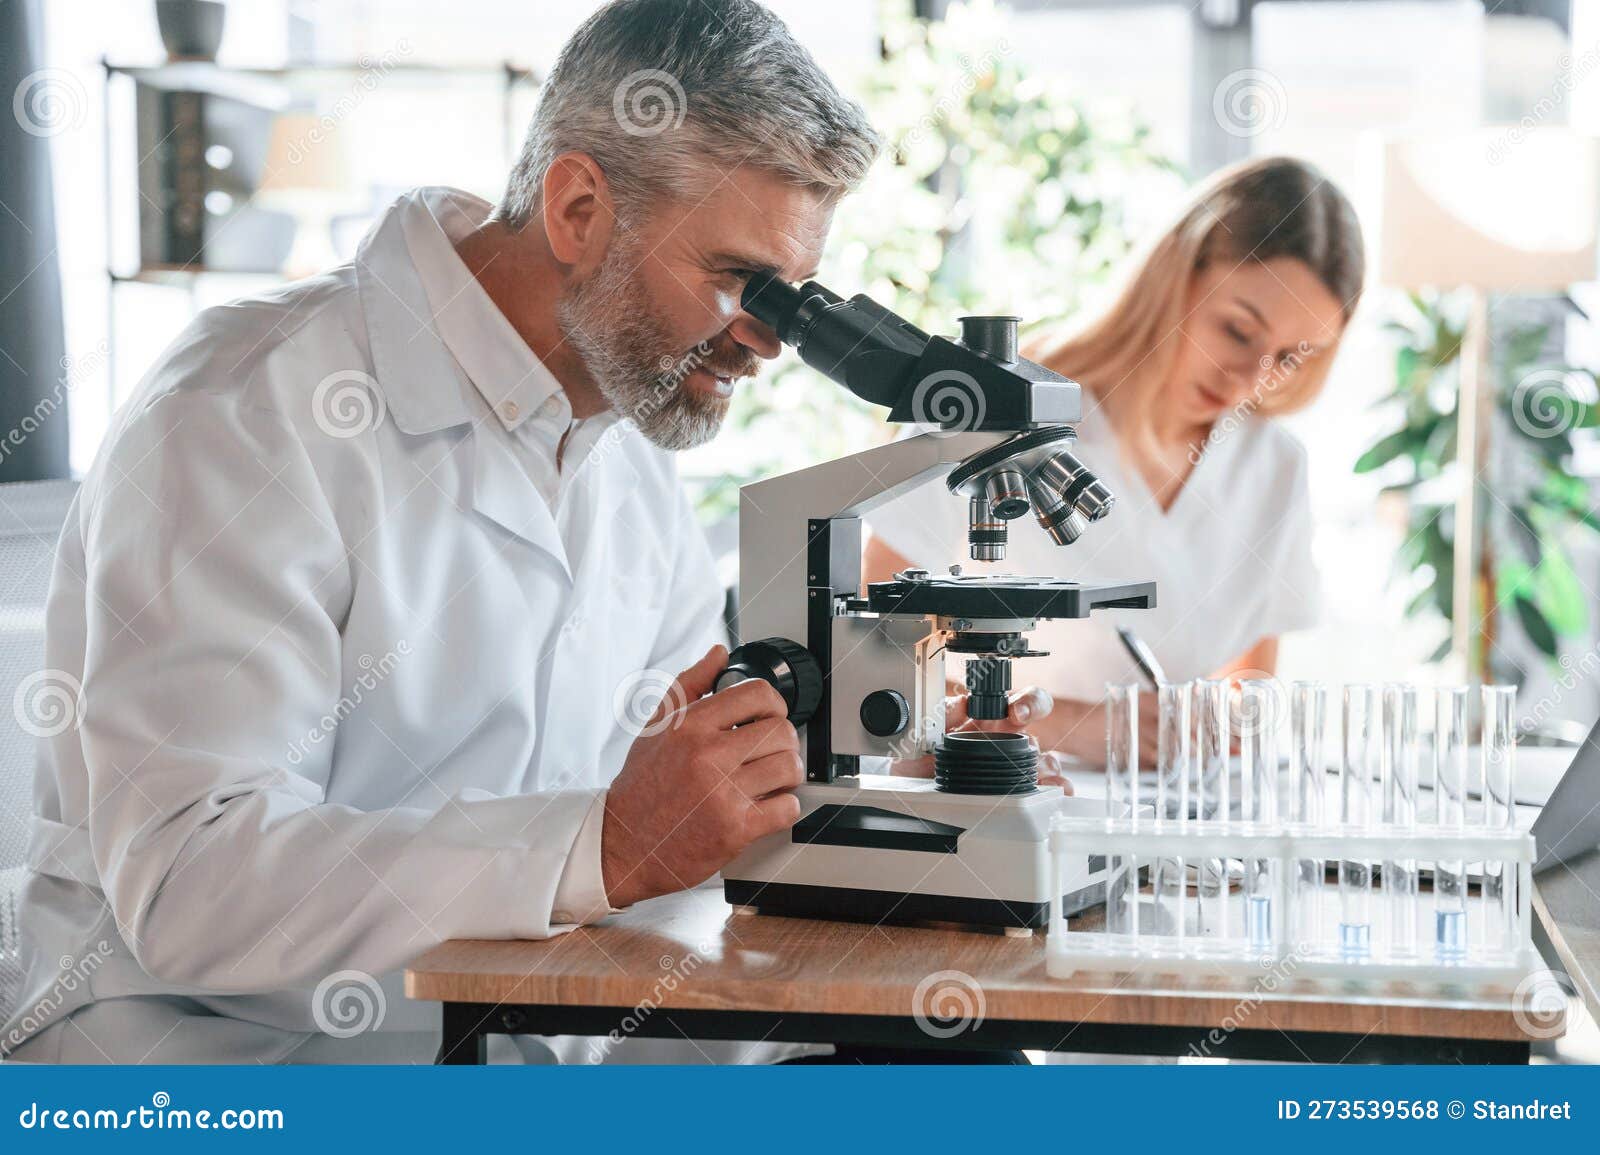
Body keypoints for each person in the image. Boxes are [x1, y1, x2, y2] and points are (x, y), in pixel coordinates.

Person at [6, 0, 1045, 1065]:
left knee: (957, 1058)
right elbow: (191, 887)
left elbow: (660, 819)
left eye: (786, 296)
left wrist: (865, 809)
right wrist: (604, 839)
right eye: (739, 282)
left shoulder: (624, 450)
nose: (764, 342)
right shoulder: (252, 403)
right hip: (213, 1054)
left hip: (523, 1028)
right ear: (579, 208)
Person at [866, 157, 1366, 768]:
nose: (1250, 379)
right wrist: (1073, 727)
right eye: (1237, 331)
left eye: (1289, 355)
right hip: (1004, 804)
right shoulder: (996, 411)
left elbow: (1248, 695)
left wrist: (1217, 730)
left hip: (1173, 833)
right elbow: (868, 664)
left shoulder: (1274, 468)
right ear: (1175, 275)